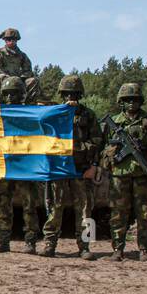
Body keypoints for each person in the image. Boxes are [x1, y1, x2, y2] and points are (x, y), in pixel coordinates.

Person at [41, 74, 103, 259]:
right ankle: (49, 244)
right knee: (54, 208)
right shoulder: (54, 113)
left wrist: (93, 165)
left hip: (81, 168)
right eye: (67, 94)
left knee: (86, 209)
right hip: (59, 168)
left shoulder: (88, 115)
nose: (71, 98)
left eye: (74, 94)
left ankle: (86, 246)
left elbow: (98, 141)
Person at [101, 82, 147, 262]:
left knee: (145, 213)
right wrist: (111, 153)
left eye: (135, 100)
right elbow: (102, 147)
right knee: (118, 213)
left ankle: (144, 249)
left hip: (143, 174)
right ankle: (118, 249)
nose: (131, 104)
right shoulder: (114, 122)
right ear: (121, 102)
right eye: (127, 100)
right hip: (119, 174)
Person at [0, 77, 43, 254]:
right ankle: (3, 240)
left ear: (22, 95)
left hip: (26, 165)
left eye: (15, 93)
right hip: (5, 165)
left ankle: (30, 242)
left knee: (29, 206)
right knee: (2, 205)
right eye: (8, 94)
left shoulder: (31, 114)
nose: (11, 97)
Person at [0, 28, 40, 101]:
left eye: (14, 39)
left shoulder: (22, 55)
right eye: (9, 40)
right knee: (1, 77)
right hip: (4, 80)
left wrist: (21, 78)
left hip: (19, 80)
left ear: (16, 40)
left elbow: (28, 70)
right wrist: (8, 77)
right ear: (5, 41)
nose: (11, 41)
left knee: (33, 80)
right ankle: (3, 100)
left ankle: (29, 103)